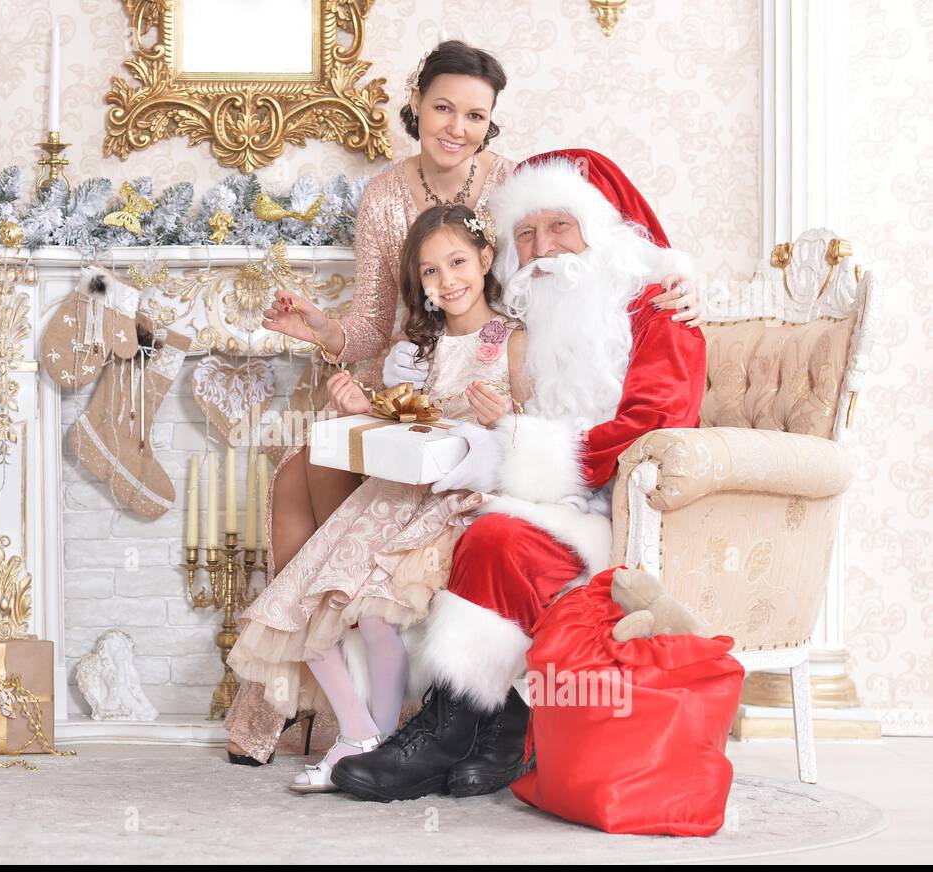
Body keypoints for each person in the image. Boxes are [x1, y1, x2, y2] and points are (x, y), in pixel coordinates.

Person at [223, 40, 699, 767]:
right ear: (415, 102)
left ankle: (392, 709)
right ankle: (296, 693)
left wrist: (688, 277)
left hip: (500, 398)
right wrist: (325, 333)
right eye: (443, 107)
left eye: (476, 115)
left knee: (363, 491)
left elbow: (589, 264)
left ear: (491, 123)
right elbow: (376, 323)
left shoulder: (516, 186)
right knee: (299, 473)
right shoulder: (384, 195)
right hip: (436, 388)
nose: (457, 126)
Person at [330, 148, 708, 802]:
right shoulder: (528, 307)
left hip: (605, 502)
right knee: (422, 520)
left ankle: (450, 731)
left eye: (560, 225)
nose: (542, 247)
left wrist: (522, 445)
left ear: (603, 227)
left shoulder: (659, 304)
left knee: (495, 537)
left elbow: (653, 425)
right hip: (520, 480)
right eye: (526, 233)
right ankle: (493, 728)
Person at [228, 203, 525, 792]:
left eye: (458, 262)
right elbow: (403, 417)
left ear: (486, 259)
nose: (447, 282)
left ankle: (378, 743)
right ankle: (358, 735)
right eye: (430, 272)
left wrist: (508, 419)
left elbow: (533, 435)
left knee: (373, 613)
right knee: (308, 601)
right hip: (392, 493)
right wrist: (368, 407)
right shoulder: (419, 347)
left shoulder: (508, 342)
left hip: (454, 498)